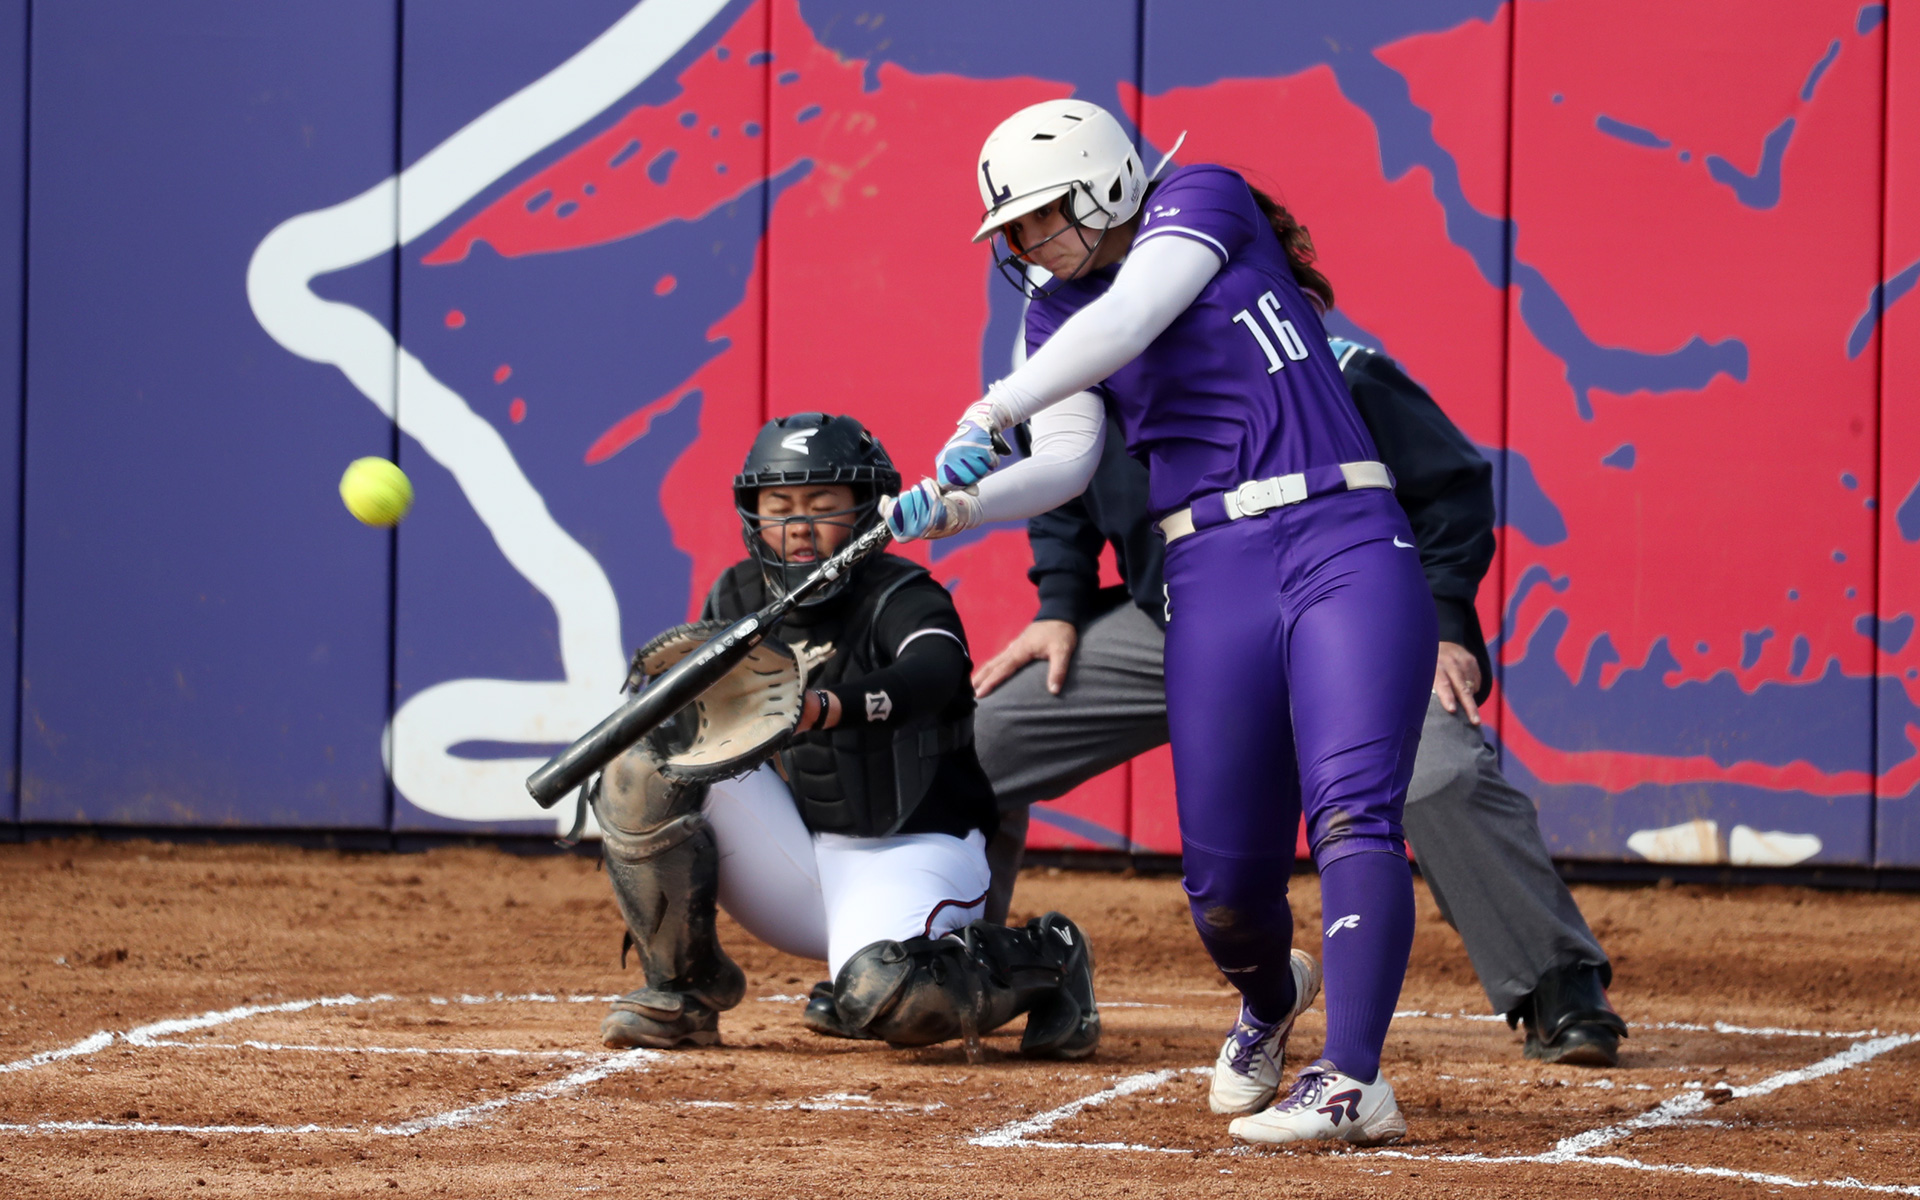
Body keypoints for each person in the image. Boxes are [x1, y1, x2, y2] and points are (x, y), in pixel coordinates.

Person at [884, 98, 1431, 1145]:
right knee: (1224, 885)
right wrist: (958, 508)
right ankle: (1271, 1001)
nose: (1023, 244)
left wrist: (984, 411)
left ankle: (1354, 1076)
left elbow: (1132, 321)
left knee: (1356, 810)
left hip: (1341, 531)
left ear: (1105, 184)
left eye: (1041, 216)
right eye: (1014, 227)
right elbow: (1068, 463)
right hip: (1211, 567)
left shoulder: (1202, 197)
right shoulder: (1055, 313)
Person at [971, 336, 1630, 1071]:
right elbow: (1058, 489)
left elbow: (1451, 490)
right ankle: (960, 962)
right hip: (1180, 623)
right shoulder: (1081, 382)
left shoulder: (1332, 368)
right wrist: (1058, 605)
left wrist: (1442, 620)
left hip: (1346, 618)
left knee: (1439, 774)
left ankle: (1556, 980)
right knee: (981, 740)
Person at [593, 412, 1099, 1060]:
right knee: (645, 768)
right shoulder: (738, 593)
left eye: (821, 504)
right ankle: (683, 991)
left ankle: (1048, 956)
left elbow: (938, 674)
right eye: (779, 505)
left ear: (863, 510)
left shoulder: (905, 593)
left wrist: (824, 706)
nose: (799, 525)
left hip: (916, 852)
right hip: (797, 857)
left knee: (894, 998)